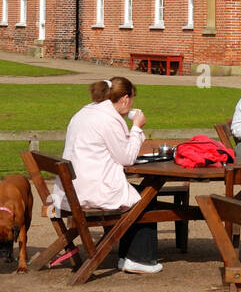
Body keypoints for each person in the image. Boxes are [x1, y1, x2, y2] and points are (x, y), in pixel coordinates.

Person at [50, 76, 160, 274]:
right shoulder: (108, 119)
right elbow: (126, 157)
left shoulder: (85, 112)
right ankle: (138, 259)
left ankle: (127, 255)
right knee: (146, 197)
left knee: (138, 193)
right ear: (125, 99)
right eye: (132, 99)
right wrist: (136, 127)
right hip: (91, 191)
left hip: (70, 190)